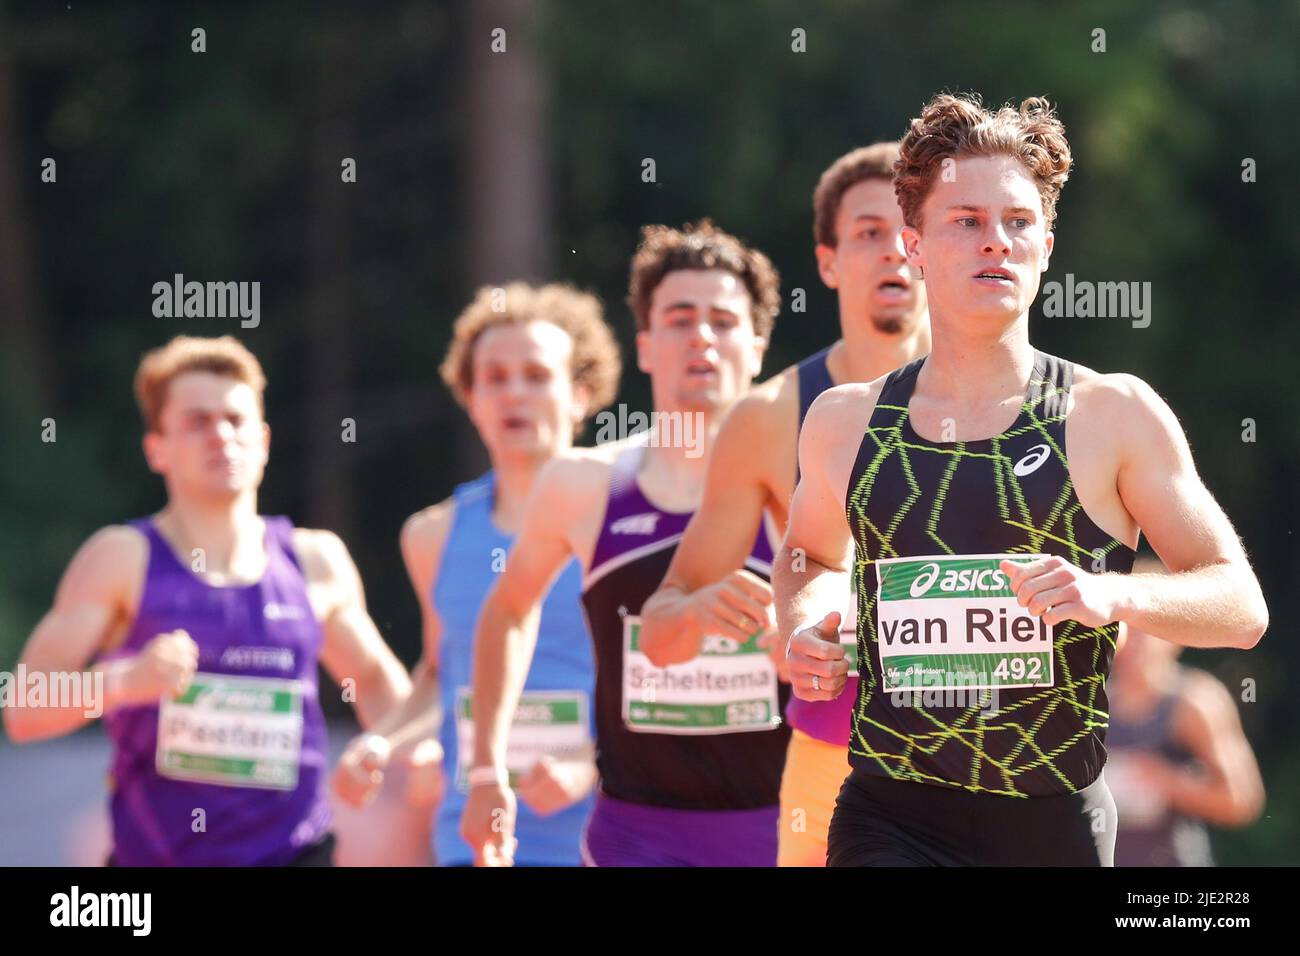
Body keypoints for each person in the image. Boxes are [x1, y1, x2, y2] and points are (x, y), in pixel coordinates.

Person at [775, 93, 1269, 866]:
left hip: (1054, 823)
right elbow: (809, 557)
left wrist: (1114, 595)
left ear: (1045, 245)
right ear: (915, 245)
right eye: (966, 221)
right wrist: (804, 625)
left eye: (1016, 222)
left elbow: (1240, 605)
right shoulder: (845, 421)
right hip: (889, 814)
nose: (995, 243)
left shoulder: (1114, 413)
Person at [4, 335, 411, 866]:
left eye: (236, 420)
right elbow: (24, 706)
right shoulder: (122, 558)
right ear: (157, 449)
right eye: (197, 422)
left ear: (263, 440)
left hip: (298, 854)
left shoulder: (314, 560)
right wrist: (126, 680)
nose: (221, 435)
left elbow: (379, 683)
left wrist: (394, 749)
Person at [461, 220, 788, 866]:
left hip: (778, 827)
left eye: (723, 322)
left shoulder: (798, 481)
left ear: (756, 347)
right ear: (644, 345)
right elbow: (507, 610)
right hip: (634, 838)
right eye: (679, 319)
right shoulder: (583, 484)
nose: (701, 337)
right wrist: (484, 770)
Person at [640, 142, 930, 866]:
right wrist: (713, 612)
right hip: (835, 754)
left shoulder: (1019, 397)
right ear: (828, 262)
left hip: (999, 752)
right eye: (868, 233)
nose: (893, 251)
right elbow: (661, 628)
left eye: (908, 232)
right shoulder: (769, 418)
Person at [332, 283, 621, 866]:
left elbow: (660, 678)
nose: (514, 393)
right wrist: (381, 741)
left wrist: (591, 764)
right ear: (471, 399)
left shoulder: (621, 519)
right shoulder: (432, 535)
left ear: (580, 394)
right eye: (494, 377)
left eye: (537, 376)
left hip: (603, 840)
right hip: (474, 842)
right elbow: (442, 674)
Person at [1107, 558, 1265, 866]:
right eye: (1128, 627)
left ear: (1175, 634)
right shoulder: (1094, 700)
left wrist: (1164, 781)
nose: (1137, 642)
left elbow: (1242, 800)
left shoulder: (1195, 702)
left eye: (1147, 628)